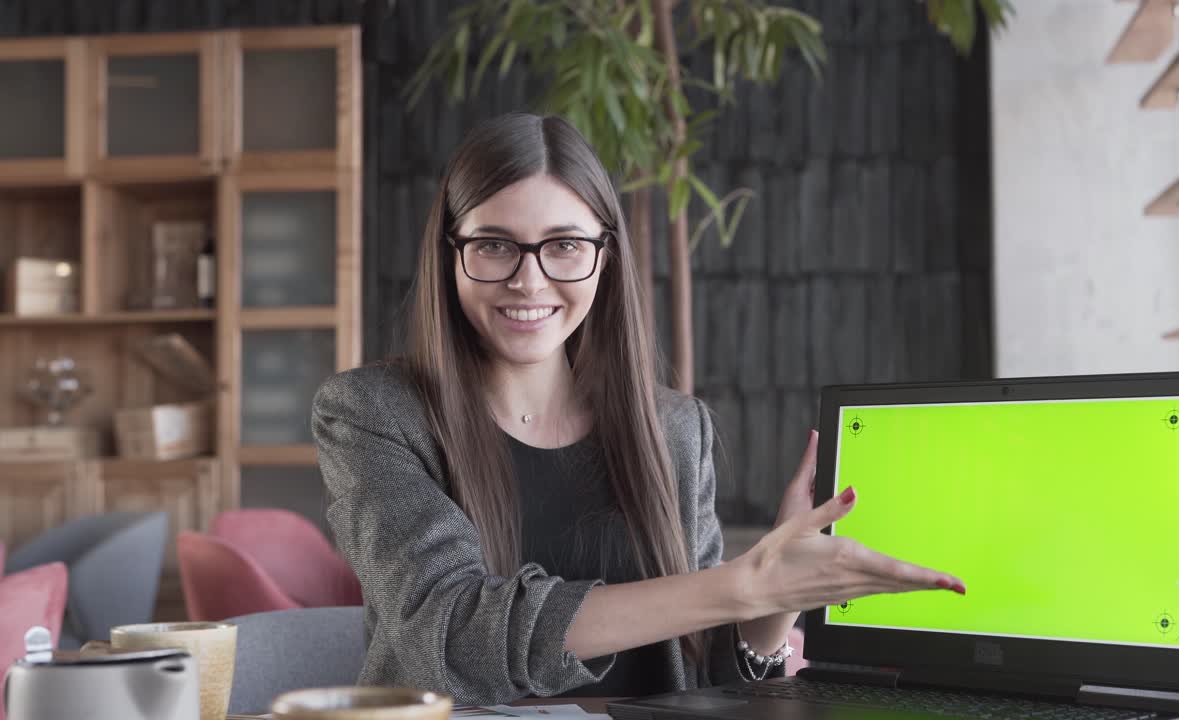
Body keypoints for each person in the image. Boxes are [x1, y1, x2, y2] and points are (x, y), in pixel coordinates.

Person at [312, 112, 965, 706]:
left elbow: (710, 674)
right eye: (494, 245)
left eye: (564, 245)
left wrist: (773, 603)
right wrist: (742, 586)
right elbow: (451, 635)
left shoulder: (677, 430)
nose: (529, 280)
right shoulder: (372, 415)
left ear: (606, 256)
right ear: (450, 255)